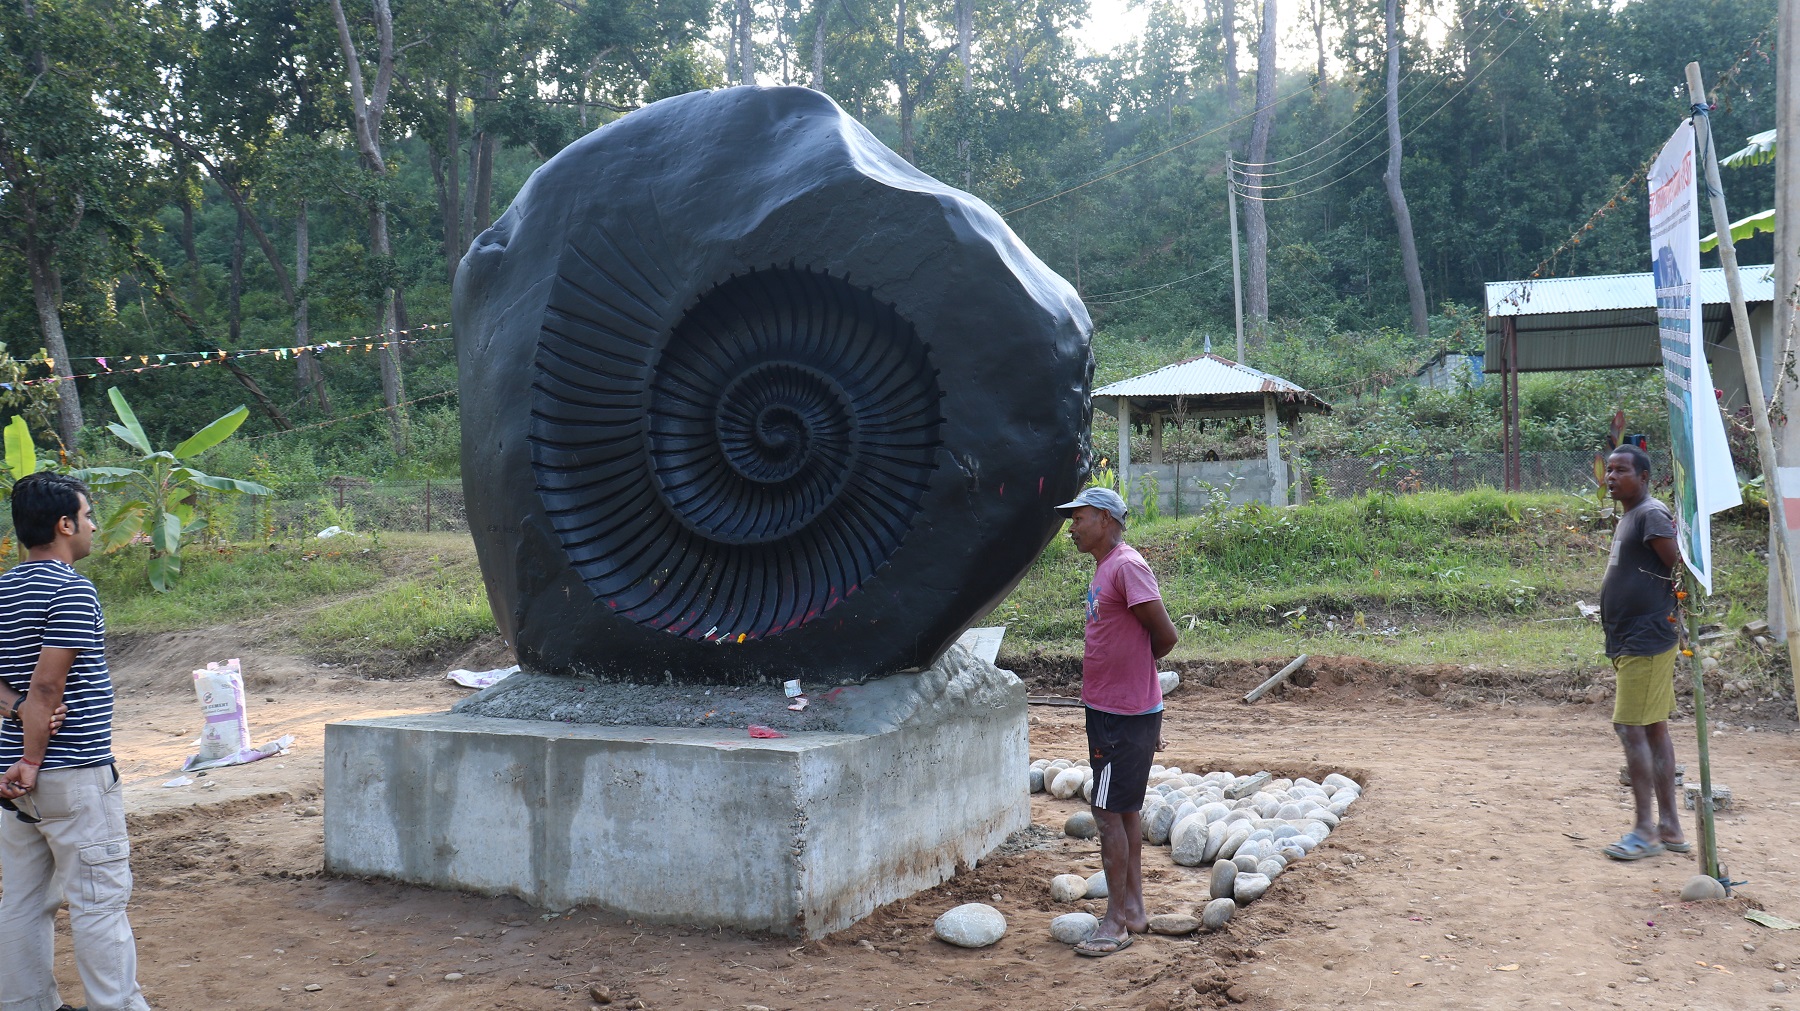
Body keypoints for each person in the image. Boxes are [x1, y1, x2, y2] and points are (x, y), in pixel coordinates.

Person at [0, 472, 153, 1011]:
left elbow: (25, 694)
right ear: (64, 525)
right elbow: (47, 685)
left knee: (21, 901)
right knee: (98, 903)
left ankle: (23, 1004)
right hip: (68, 773)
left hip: (13, 784)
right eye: (87, 517)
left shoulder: (1, 590)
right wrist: (32, 758)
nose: (90, 526)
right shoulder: (69, 588)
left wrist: (14, 717)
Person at [1054, 486, 1178, 956]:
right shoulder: (1106, 569)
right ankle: (1134, 910)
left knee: (1107, 814)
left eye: (1079, 517)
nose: (1072, 527)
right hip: (1114, 710)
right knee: (1123, 809)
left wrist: (1135, 686)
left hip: (1121, 716)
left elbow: (1164, 636)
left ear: (1106, 519)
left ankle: (1115, 922)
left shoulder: (1126, 566)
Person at [1599, 444, 1688, 861]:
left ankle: (1645, 831)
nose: (1611, 477)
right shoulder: (1631, 516)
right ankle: (1668, 826)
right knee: (1652, 726)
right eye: (1609, 470)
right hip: (1634, 638)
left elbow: (1679, 568)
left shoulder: (1651, 514)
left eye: (1621, 471)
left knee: (1631, 727)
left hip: (1646, 639)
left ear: (1645, 476)